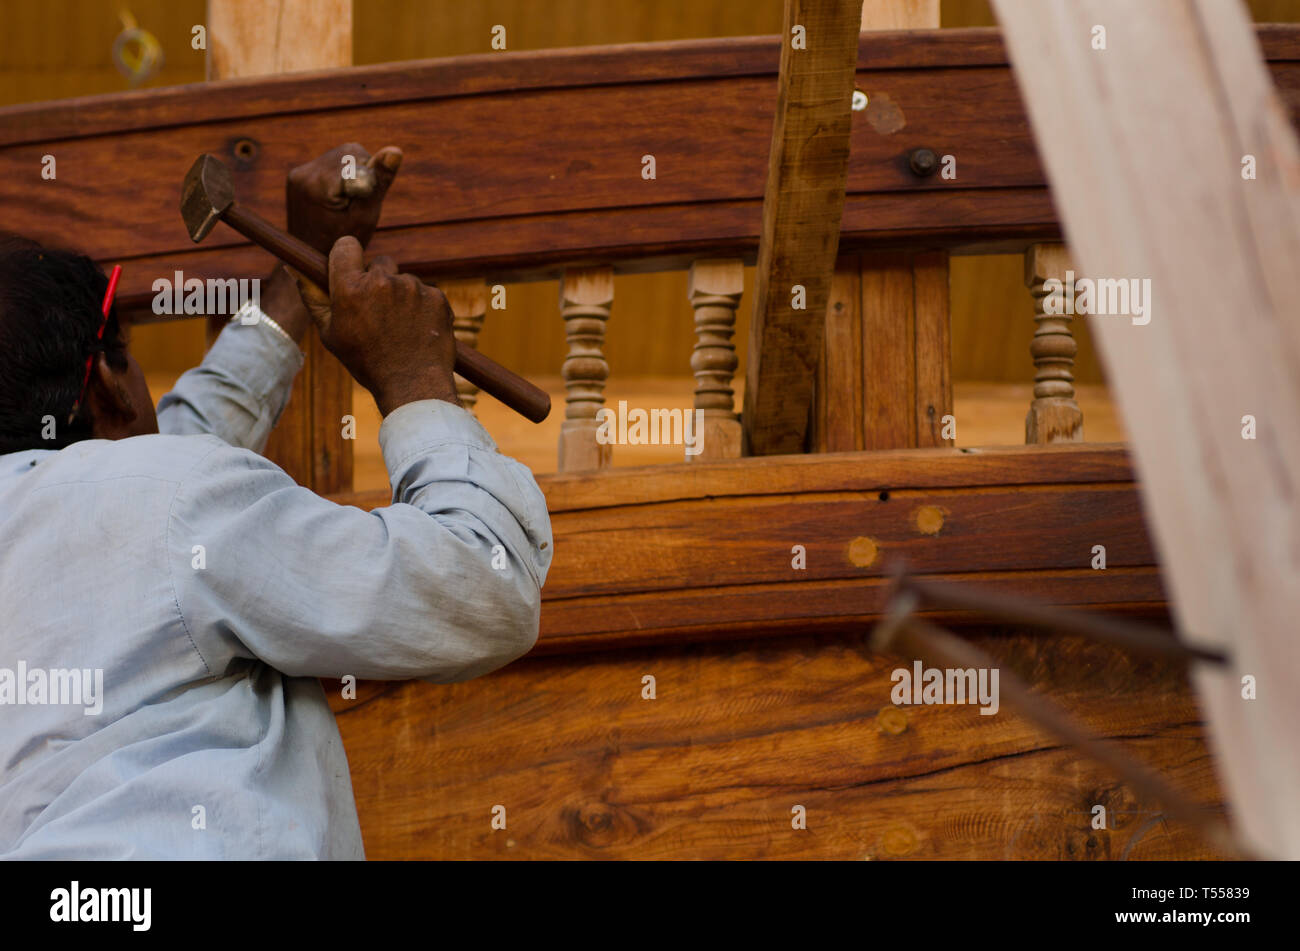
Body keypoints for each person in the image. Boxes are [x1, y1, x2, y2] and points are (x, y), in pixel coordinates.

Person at [0, 144, 552, 859]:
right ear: (105, 383)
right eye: (128, 353)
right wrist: (415, 379)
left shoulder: (117, 510)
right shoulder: (164, 498)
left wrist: (301, 265)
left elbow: (162, 482)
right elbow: (485, 586)